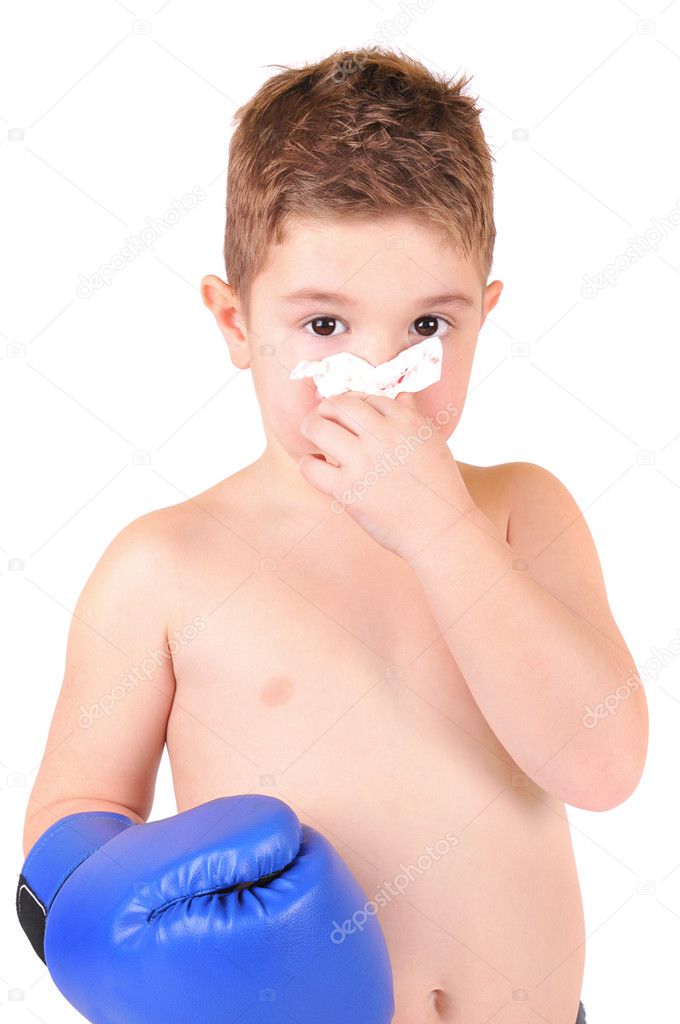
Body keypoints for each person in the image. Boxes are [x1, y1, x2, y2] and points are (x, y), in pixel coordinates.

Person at [20, 46, 648, 1023]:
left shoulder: (520, 514)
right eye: (323, 326)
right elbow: (65, 839)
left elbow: (603, 767)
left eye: (428, 327)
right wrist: (160, 956)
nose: (377, 373)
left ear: (483, 317)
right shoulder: (165, 568)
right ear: (235, 322)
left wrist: (441, 530)